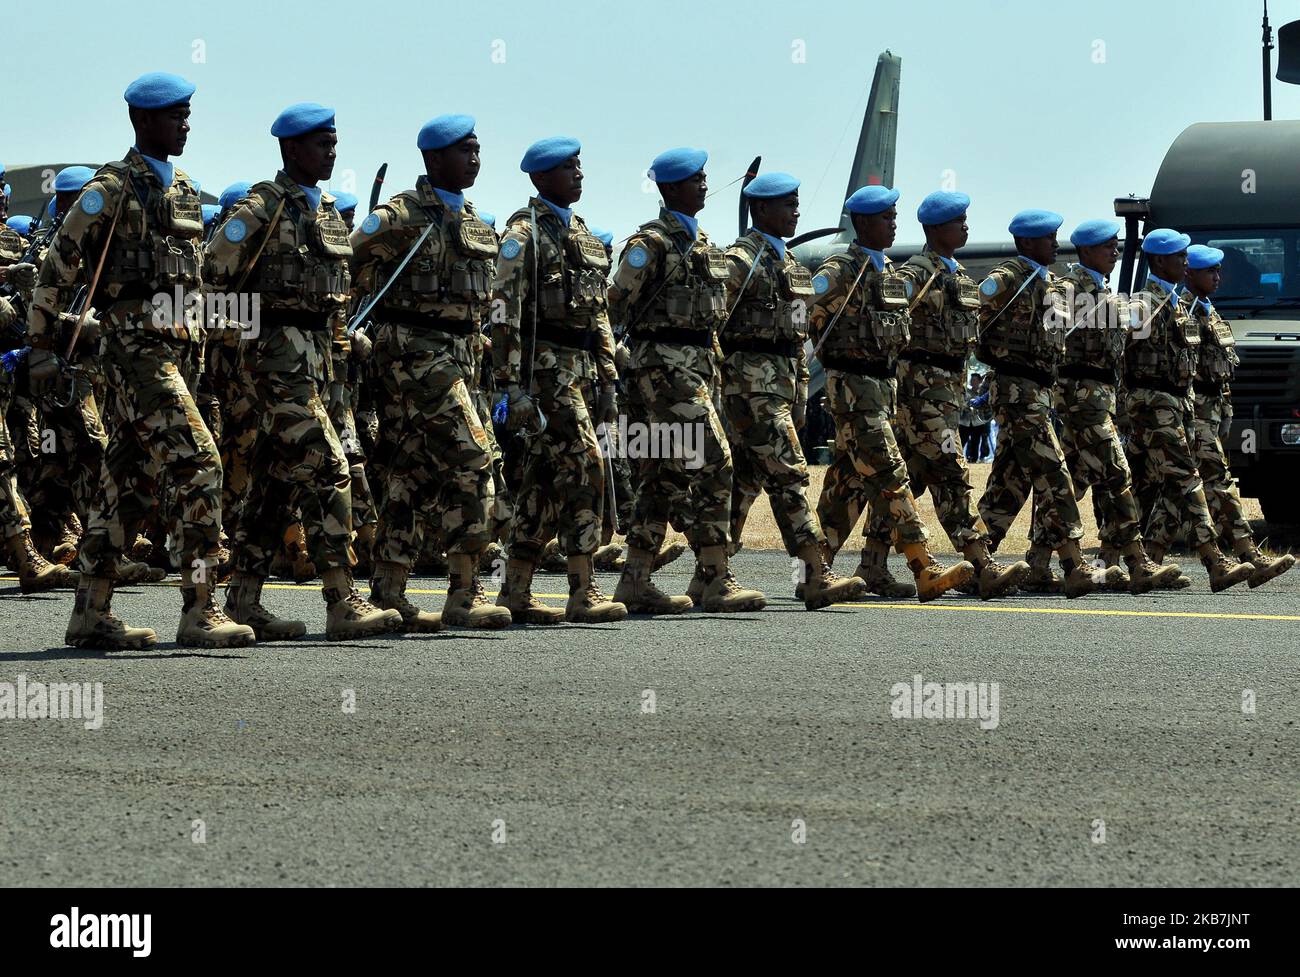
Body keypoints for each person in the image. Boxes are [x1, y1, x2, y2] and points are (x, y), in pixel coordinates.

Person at [28, 71, 251, 648]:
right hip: (135, 354)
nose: (185, 123)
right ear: (143, 120)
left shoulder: (181, 191)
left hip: (176, 354)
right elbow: (61, 261)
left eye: (187, 114)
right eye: (174, 115)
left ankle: (91, 611)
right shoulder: (113, 187)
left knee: (126, 484)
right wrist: (43, 344)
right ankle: (200, 608)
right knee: (200, 463)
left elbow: (193, 283)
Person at [204, 101, 401, 640]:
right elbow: (210, 272)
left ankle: (242, 600)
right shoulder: (261, 207)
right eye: (321, 143)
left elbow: (335, 296)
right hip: (274, 360)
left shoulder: (328, 210)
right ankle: (342, 599)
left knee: (273, 483)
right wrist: (240, 332)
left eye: (334, 142)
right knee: (327, 464)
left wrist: (344, 345)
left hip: (320, 362)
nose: (331, 151)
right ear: (291, 149)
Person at [349, 112, 511, 630]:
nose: (475, 159)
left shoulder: (476, 223)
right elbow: (343, 264)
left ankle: (389, 590)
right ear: (434, 158)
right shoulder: (399, 216)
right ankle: (464, 590)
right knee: (473, 453)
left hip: (462, 357)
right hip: (413, 358)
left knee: (413, 471)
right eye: (464, 151)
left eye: (478, 150)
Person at [606, 146, 766, 613]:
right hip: (663, 372)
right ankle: (715, 576)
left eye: (704, 178)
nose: (703, 185)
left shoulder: (701, 244)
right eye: (695, 179)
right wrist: (613, 355)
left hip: (696, 367)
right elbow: (614, 302)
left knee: (664, 476)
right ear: (671, 188)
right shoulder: (650, 244)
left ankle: (634, 581)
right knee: (717, 462)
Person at [857, 190, 1026, 599]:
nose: (965, 226)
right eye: (957, 221)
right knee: (952, 471)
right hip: (921, 395)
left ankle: (872, 565)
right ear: (935, 229)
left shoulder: (960, 277)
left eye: (966, 220)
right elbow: (888, 321)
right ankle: (982, 564)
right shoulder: (917, 273)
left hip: (947, 394)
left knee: (906, 480)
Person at [810, 185, 973, 602]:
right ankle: (923, 567)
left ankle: (816, 569)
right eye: (886, 217)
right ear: (864, 222)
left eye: (894, 216)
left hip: (882, 391)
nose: (893, 223)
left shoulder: (887, 271)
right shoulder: (842, 268)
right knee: (890, 475)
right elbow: (808, 319)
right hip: (854, 390)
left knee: (845, 484)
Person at [491, 136, 626, 623]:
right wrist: (511, 386)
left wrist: (608, 375)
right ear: (540, 178)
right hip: (545, 372)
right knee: (587, 466)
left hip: (583, 369)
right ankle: (582, 589)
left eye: (580, 165)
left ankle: (515, 590)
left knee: (543, 483)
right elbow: (503, 312)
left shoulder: (581, 233)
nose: (580, 173)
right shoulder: (523, 235)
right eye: (569, 167)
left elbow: (599, 314)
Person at [721, 172, 866, 609]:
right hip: (750, 388)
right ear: (762, 209)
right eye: (787, 204)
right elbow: (711, 324)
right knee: (790, 476)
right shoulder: (740, 261)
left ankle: (708, 573)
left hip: (780, 387)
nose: (797, 211)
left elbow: (798, 338)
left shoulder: (790, 266)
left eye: (796, 203)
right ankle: (813, 575)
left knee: (743, 483)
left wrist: (801, 394)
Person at [1027, 219, 1183, 594]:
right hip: (1079, 402)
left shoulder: (1109, 295)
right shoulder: (1065, 292)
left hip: (1102, 400)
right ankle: (1138, 561)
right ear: (1086, 251)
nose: (1115, 252)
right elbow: (1052, 336)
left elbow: (1133, 340)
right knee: (1117, 474)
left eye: (1117, 246)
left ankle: (1039, 561)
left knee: (1065, 483)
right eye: (1108, 246)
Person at [1122, 229, 1255, 591]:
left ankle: (1144, 561)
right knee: (1186, 478)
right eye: (1179, 256)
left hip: (1180, 403)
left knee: (1164, 484)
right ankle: (1217, 562)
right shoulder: (1142, 304)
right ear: (1160, 261)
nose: (1186, 261)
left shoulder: (1177, 302)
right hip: (1153, 404)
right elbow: (1119, 356)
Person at [974, 209, 1096, 598]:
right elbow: (976, 309)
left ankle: (980, 561)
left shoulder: (1051, 283)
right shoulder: (1007, 277)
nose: (1056, 245)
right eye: (1048, 238)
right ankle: (1075, 565)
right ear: (1027, 242)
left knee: (1008, 483)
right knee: (1055, 474)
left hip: (1039, 393)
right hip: (1016, 392)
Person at [1183, 243, 1294, 586]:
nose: (1218, 278)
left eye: (1219, 271)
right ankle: (1245, 556)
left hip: (1214, 411)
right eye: (1210, 272)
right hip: (1191, 412)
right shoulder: (1181, 312)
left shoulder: (1209, 309)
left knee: (1170, 491)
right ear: (1189, 274)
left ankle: (1143, 565)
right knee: (1214, 481)